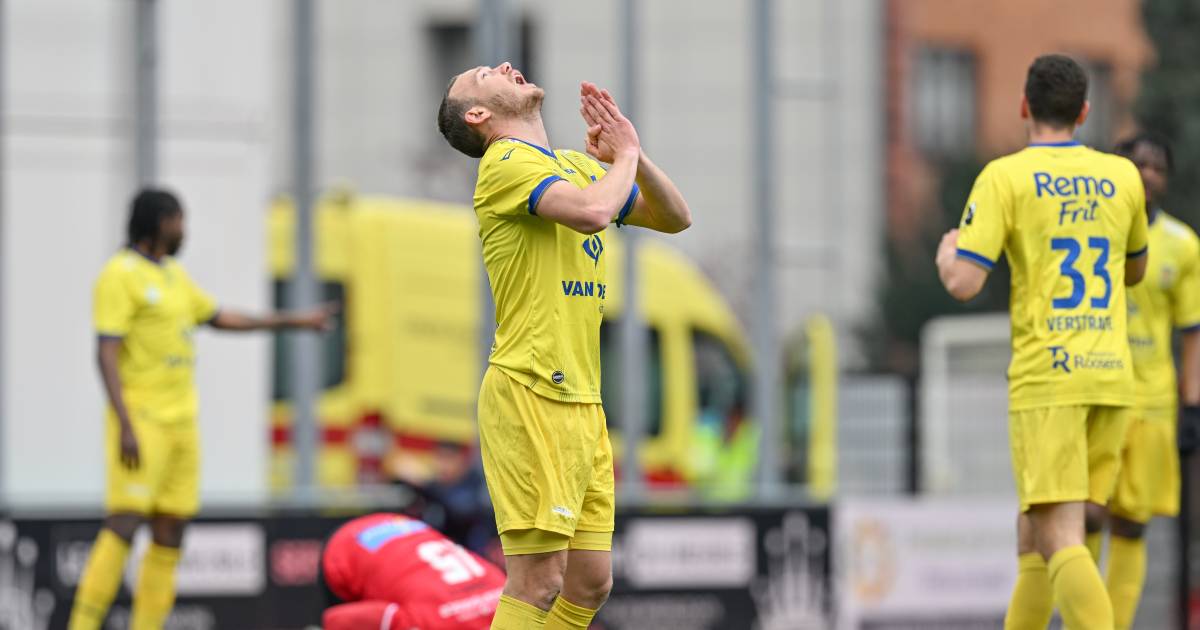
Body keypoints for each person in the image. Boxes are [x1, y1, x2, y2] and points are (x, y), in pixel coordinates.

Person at [436, 62, 691, 630]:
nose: (505, 64)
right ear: (479, 115)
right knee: (539, 580)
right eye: (484, 74)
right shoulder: (504, 164)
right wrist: (622, 159)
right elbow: (593, 214)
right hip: (530, 390)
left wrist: (635, 153)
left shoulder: (574, 166)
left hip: (582, 399)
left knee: (590, 582)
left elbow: (676, 218)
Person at [935, 54, 1148, 629]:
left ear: (1024, 106)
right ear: (1084, 111)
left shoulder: (1006, 177)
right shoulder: (1123, 176)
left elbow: (964, 282)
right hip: (1111, 375)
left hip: (1050, 375)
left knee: (1058, 535)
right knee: (1032, 536)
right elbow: (1134, 270)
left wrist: (948, 253)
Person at [69, 188, 336, 630]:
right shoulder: (119, 275)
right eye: (178, 221)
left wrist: (296, 321)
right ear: (158, 222)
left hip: (181, 425)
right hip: (142, 421)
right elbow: (106, 352)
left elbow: (219, 317)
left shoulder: (173, 276)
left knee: (171, 530)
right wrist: (124, 421)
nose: (183, 231)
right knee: (124, 522)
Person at [1082, 133, 1200, 629]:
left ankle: (1115, 624)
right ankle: (1082, 620)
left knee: (1132, 525)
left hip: (1151, 402)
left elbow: (1192, 331)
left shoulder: (1183, 244)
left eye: (1157, 167)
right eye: (1138, 163)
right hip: (1097, 392)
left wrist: (1192, 405)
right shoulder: (1090, 230)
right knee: (1083, 516)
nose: (1148, 174)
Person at [320, 513, 506, 630]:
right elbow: (336, 620)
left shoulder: (510, 595)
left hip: (404, 528)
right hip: (347, 547)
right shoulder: (427, 622)